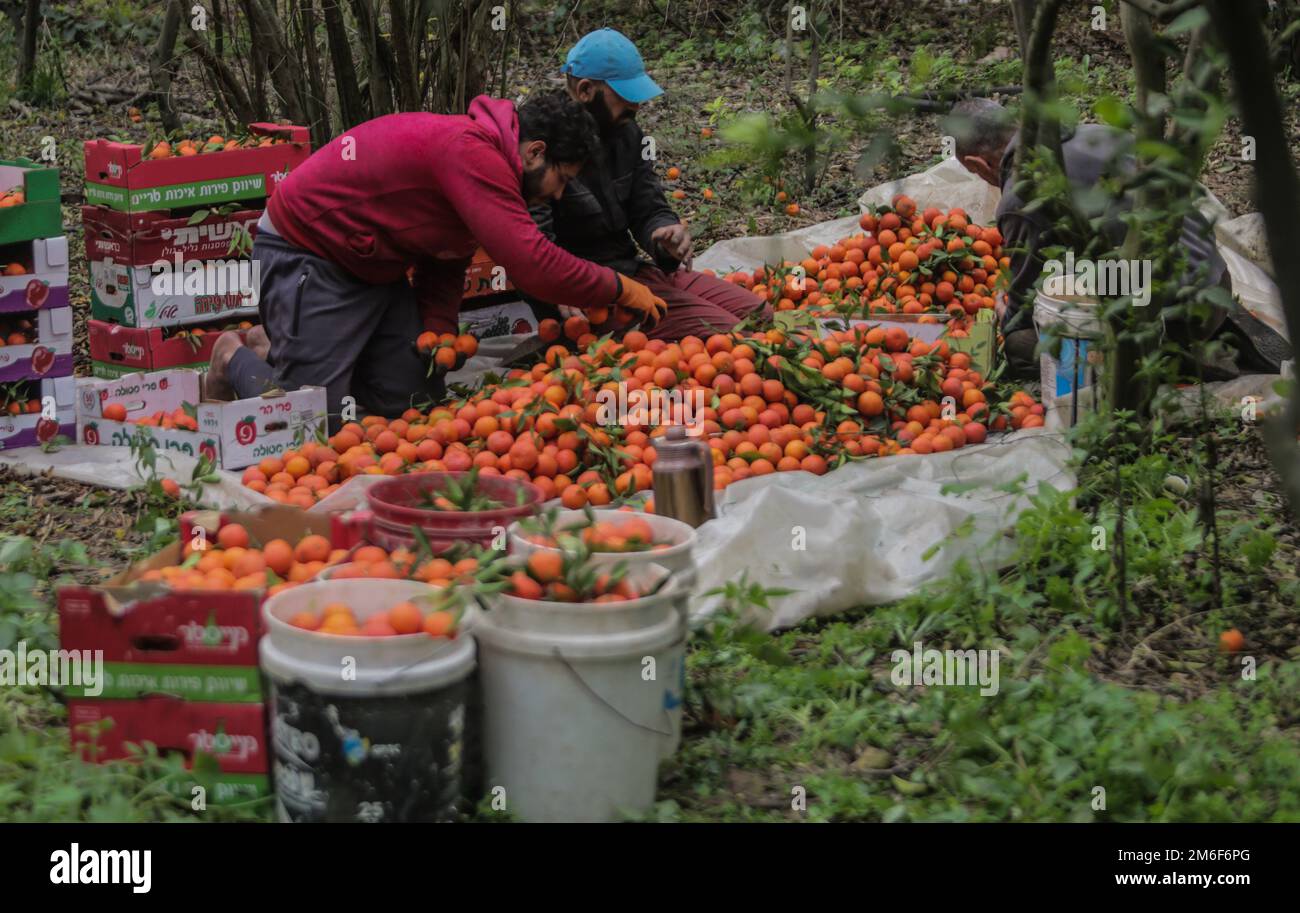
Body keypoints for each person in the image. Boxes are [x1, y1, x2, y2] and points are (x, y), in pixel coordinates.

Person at [208, 91, 666, 427]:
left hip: (373, 265)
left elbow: (446, 256)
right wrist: (619, 286)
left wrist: (439, 329)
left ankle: (283, 344)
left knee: (414, 403)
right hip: (310, 249)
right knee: (308, 420)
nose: (561, 194)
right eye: (562, 179)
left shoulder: (494, 166)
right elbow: (530, 262)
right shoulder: (473, 154)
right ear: (535, 152)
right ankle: (233, 356)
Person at [948, 98, 1289, 379]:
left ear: (978, 164)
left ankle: (1170, 362)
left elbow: (1024, 301)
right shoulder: (1095, 132)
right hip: (1213, 275)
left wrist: (1005, 311)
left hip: (1172, 313)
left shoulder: (1022, 195)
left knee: (1022, 344)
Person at [527, 28, 769, 340]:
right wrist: (558, 288)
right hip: (593, 293)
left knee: (759, 315)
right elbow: (532, 242)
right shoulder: (543, 146)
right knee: (727, 334)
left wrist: (663, 235)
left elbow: (648, 204)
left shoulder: (627, 134)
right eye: (626, 97)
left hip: (635, 271)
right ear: (586, 90)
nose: (636, 107)